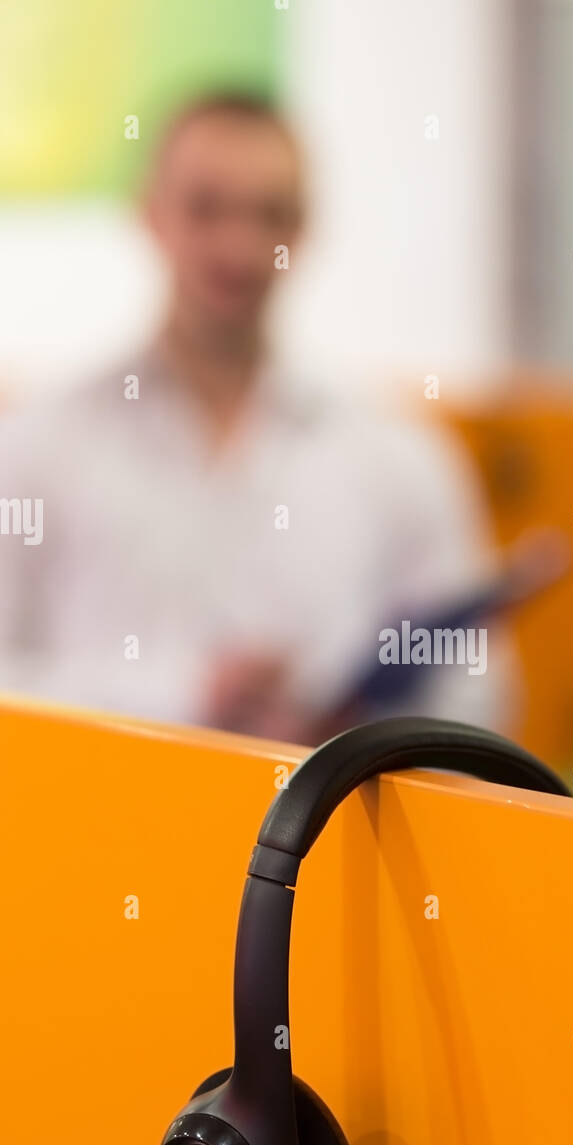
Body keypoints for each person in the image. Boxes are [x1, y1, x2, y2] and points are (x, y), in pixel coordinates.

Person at [0, 93, 513, 743]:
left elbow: (477, 695)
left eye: (269, 214)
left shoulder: (399, 454)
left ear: (304, 229)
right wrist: (180, 694)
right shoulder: (39, 444)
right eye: (206, 208)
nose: (239, 247)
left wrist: (351, 729)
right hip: (96, 835)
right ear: (151, 216)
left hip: (331, 835)